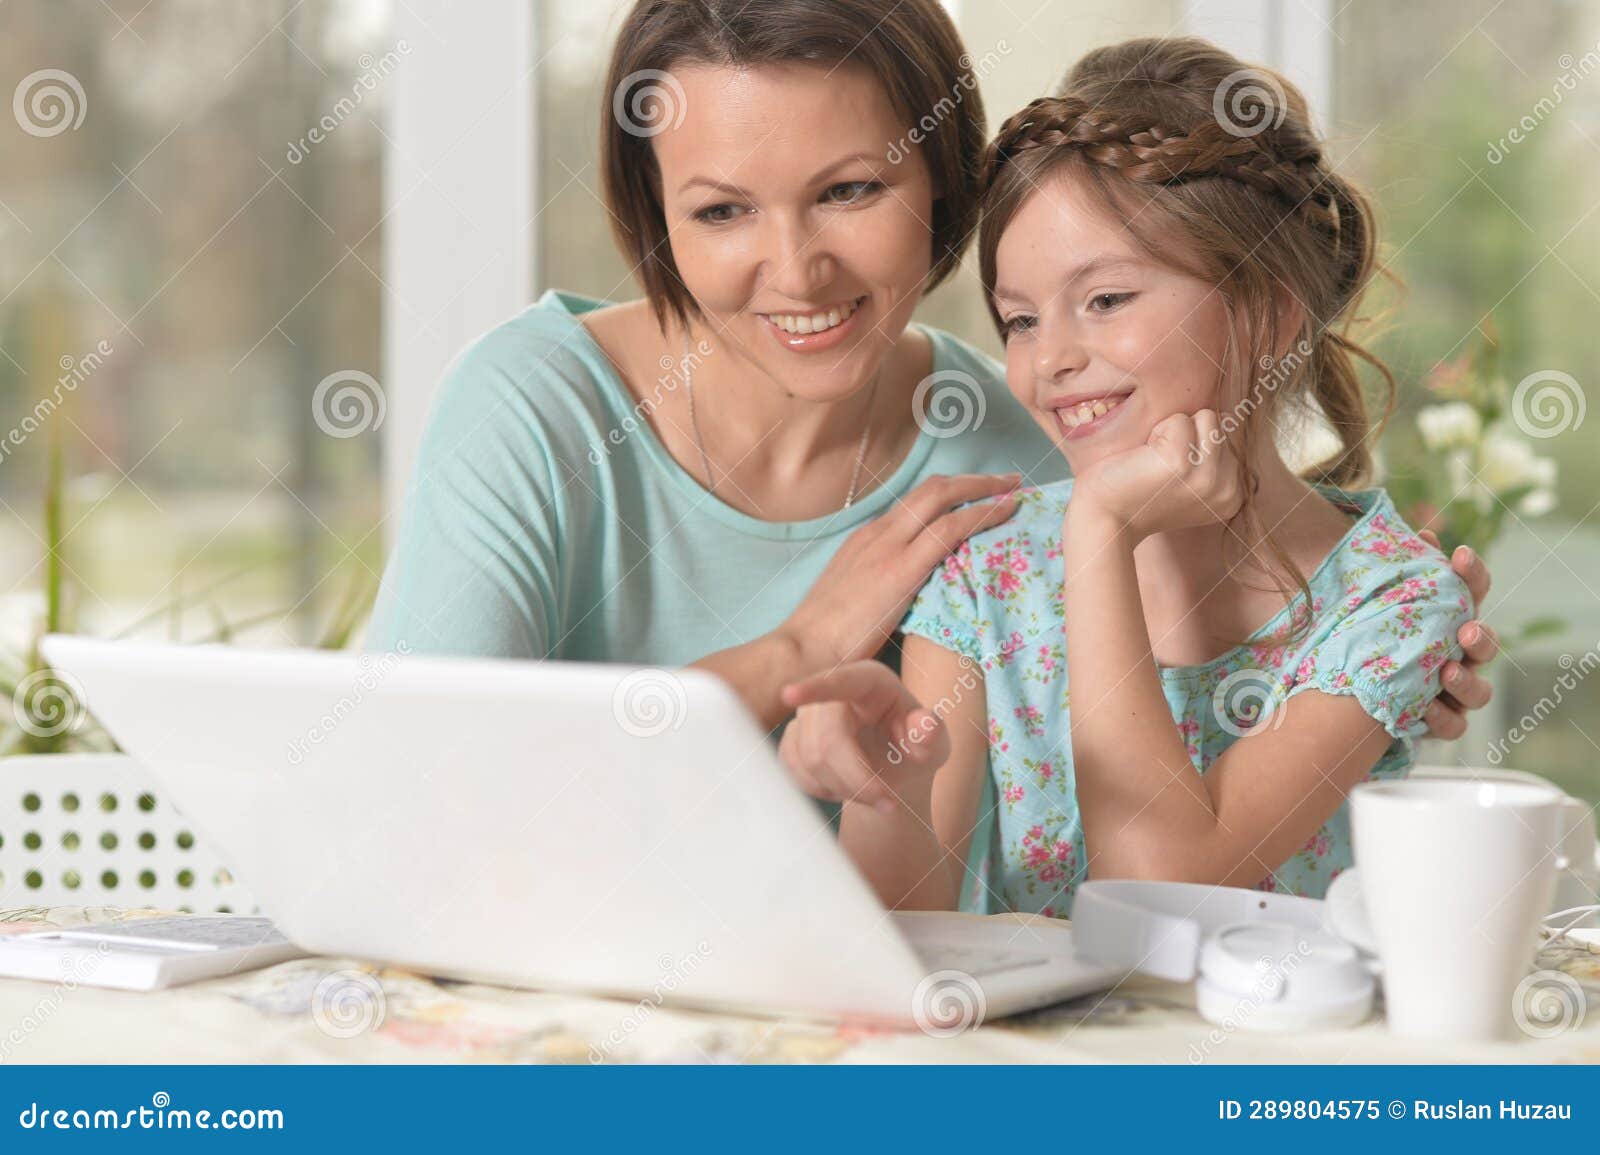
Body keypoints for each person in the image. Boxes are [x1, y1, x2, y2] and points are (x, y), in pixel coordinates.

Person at [366, 2, 1497, 746]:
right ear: (654, 223)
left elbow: (1165, 723)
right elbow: (419, 775)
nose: (796, 270)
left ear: (946, 185)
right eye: (720, 212)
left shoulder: (1015, 456)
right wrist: (793, 656)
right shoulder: (534, 408)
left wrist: (1380, 654)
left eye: (850, 190)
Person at [776, 37, 1480, 916]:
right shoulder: (988, 572)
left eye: (1106, 300)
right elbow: (895, 928)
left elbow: (1158, 893)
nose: (1051, 359)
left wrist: (1102, 529)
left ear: (1265, 311)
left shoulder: (1391, 601)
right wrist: (887, 777)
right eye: (1021, 320)